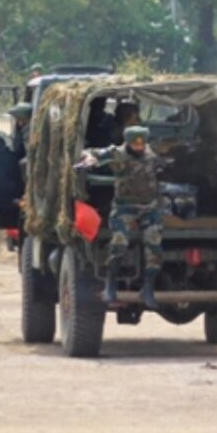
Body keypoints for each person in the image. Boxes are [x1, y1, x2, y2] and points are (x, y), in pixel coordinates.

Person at [77, 125, 164, 309]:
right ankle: (111, 284)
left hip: (149, 208)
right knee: (119, 243)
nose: (139, 147)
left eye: (142, 143)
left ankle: (147, 288)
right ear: (128, 142)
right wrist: (91, 159)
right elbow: (90, 153)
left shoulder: (152, 154)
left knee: (154, 245)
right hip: (125, 208)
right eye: (135, 143)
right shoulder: (117, 153)